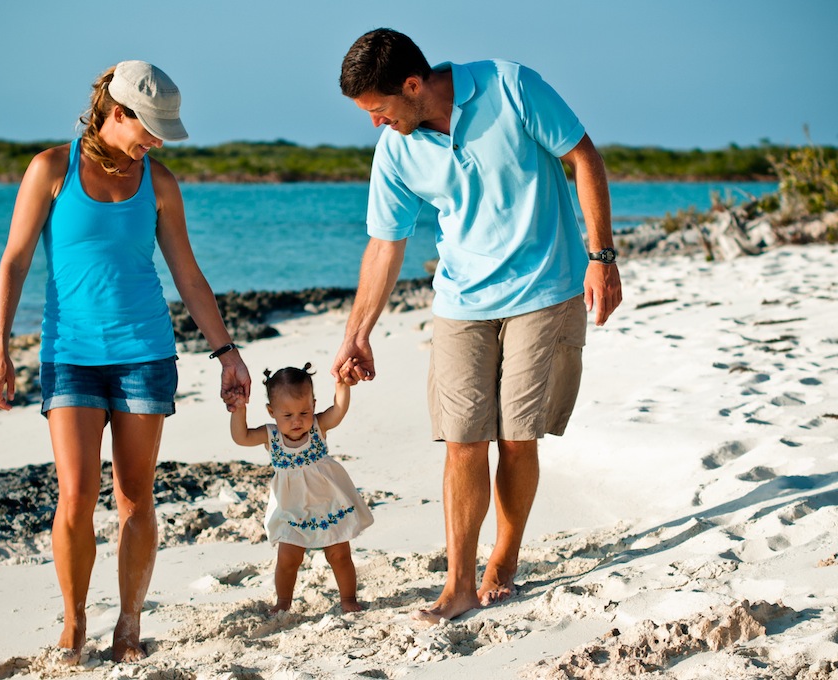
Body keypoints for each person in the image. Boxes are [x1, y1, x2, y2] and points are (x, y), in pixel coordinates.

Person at [332, 29, 623, 624]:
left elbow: (582, 155)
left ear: (413, 86)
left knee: (518, 436)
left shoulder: (511, 87)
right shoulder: (396, 149)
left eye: (379, 109)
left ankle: (504, 562)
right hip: (461, 300)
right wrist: (357, 331)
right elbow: (386, 243)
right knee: (463, 438)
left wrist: (602, 256)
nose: (375, 124)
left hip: (545, 289)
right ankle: (459, 584)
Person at [0, 60, 251, 663]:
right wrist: (0, 350)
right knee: (77, 495)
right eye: (150, 127)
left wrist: (227, 352)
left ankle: (129, 625)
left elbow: (186, 273)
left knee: (136, 496)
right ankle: (75, 623)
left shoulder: (159, 184)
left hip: (145, 355)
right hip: (70, 357)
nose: (157, 140)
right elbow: (15, 262)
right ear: (117, 113)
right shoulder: (51, 170)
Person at [228, 362, 374, 614]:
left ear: (313, 406)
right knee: (288, 559)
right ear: (271, 411)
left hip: (327, 503)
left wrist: (341, 385)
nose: (297, 421)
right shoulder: (271, 436)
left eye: (304, 412)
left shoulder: (318, 426)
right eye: (287, 415)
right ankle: (283, 602)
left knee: (339, 554)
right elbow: (241, 437)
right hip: (290, 507)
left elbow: (339, 410)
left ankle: (348, 599)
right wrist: (238, 410)